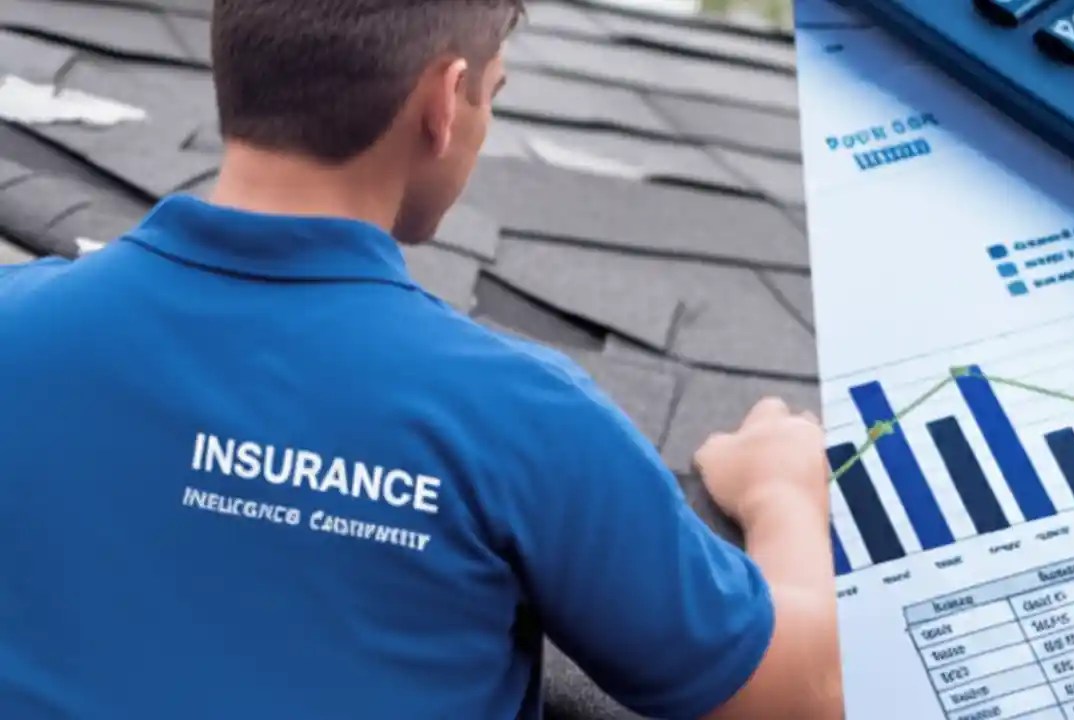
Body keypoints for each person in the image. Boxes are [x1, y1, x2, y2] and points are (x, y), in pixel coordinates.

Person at [0, 1, 841, 718]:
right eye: (493, 94)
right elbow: (801, 690)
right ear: (444, 102)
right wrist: (781, 495)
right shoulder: (522, 418)